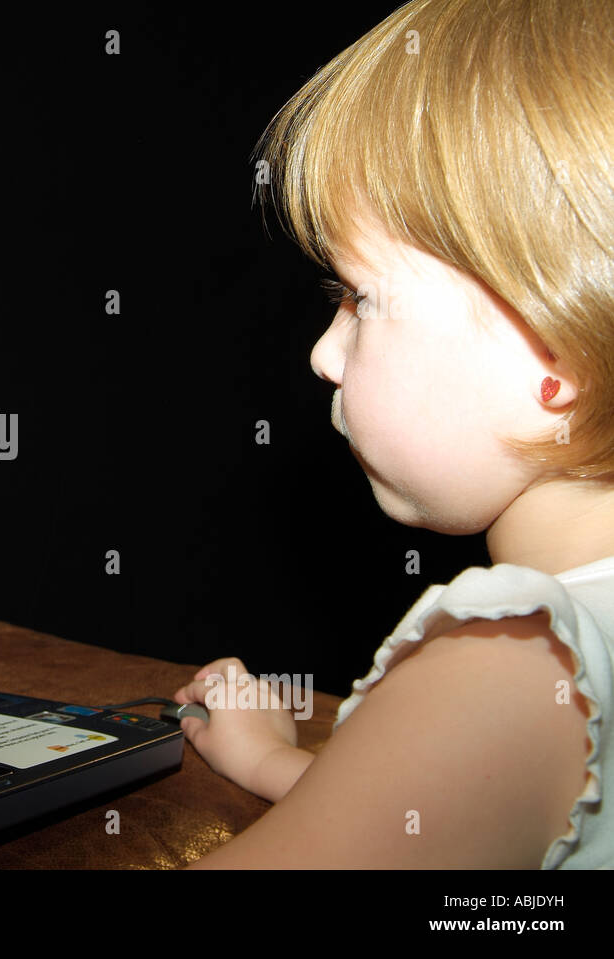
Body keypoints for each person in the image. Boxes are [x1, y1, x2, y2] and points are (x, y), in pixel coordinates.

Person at [174, 0, 614, 868]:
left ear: (554, 359)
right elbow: (452, 824)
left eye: (359, 299)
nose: (324, 355)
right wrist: (276, 762)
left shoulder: (511, 662)